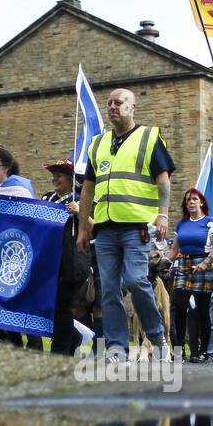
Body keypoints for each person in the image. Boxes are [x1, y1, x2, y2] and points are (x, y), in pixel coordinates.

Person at [76, 88, 172, 363]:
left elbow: (163, 181)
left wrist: (163, 215)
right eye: (109, 103)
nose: (112, 107)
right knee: (109, 288)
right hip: (105, 227)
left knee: (135, 280)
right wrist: (84, 228)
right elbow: (87, 190)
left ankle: (156, 337)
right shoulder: (98, 144)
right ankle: (117, 347)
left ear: (133, 108)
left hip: (137, 225)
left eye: (119, 103)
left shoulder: (148, 138)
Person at [0, 147, 43, 349]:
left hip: (20, 252)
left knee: (23, 301)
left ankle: (34, 345)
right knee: (1, 300)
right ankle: (13, 343)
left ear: (6, 167)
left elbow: (27, 216)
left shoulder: (19, 187)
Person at [170, 188, 213, 362]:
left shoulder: (209, 221)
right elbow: (174, 250)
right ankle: (179, 350)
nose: (191, 202)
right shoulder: (181, 224)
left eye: (194, 199)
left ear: (201, 202)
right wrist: (164, 261)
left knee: (202, 310)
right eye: (188, 200)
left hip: (204, 264)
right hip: (184, 265)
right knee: (179, 307)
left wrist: (204, 263)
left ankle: (201, 351)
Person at [42, 159, 89, 356]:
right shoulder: (47, 198)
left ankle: (59, 351)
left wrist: (80, 213)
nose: (55, 179)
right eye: (53, 175)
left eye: (59, 175)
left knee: (63, 306)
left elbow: (95, 230)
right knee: (53, 307)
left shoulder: (82, 200)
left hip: (72, 261)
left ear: (71, 179)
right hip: (49, 261)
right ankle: (74, 336)